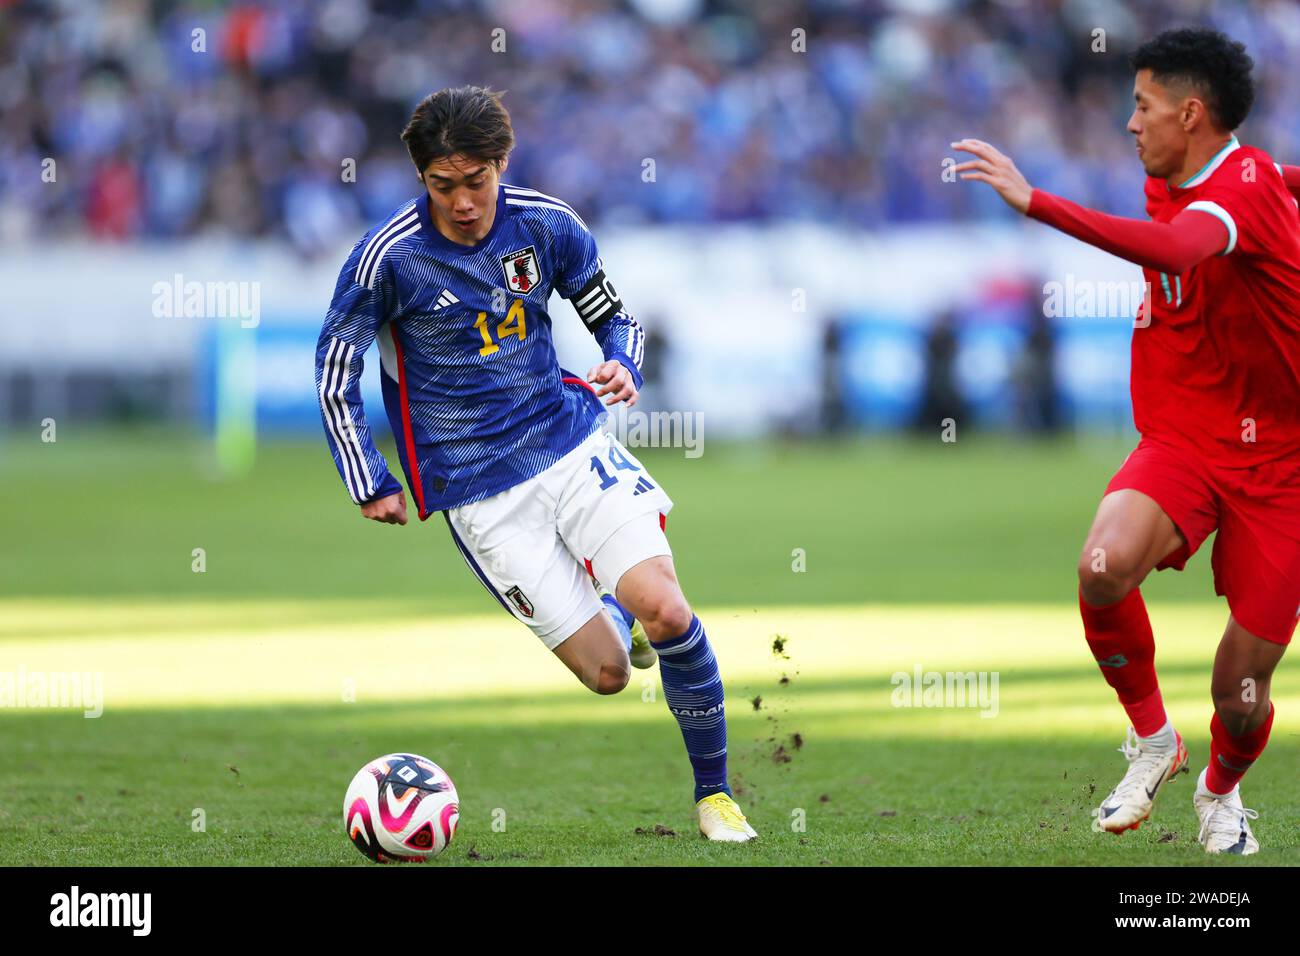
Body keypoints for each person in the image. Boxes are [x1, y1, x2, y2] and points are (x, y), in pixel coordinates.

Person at [314, 86, 756, 842]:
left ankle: (715, 795)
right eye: (442, 186)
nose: (461, 202)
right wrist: (369, 478)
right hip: (482, 495)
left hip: (572, 442)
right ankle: (613, 612)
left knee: (669, 608)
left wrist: (623, 361)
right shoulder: (389, 259)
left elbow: (616, 315)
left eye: (476, 181)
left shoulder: (547, 225)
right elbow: (335, 364)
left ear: (502, 164)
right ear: (421, 179)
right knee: (609, 674)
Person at [954, 28, 1300, 854]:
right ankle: (1153, 742)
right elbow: (1275, 182)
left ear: (1191, 112)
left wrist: (1038, 203)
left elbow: (1182, 244)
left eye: (1142, 105)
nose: (1128, 123)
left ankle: (1221, 791)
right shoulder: (1193, 171)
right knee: (1101, 566)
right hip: (1184, 438)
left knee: (1241, 690)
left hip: (1282, 464)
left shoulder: (1232, 192)